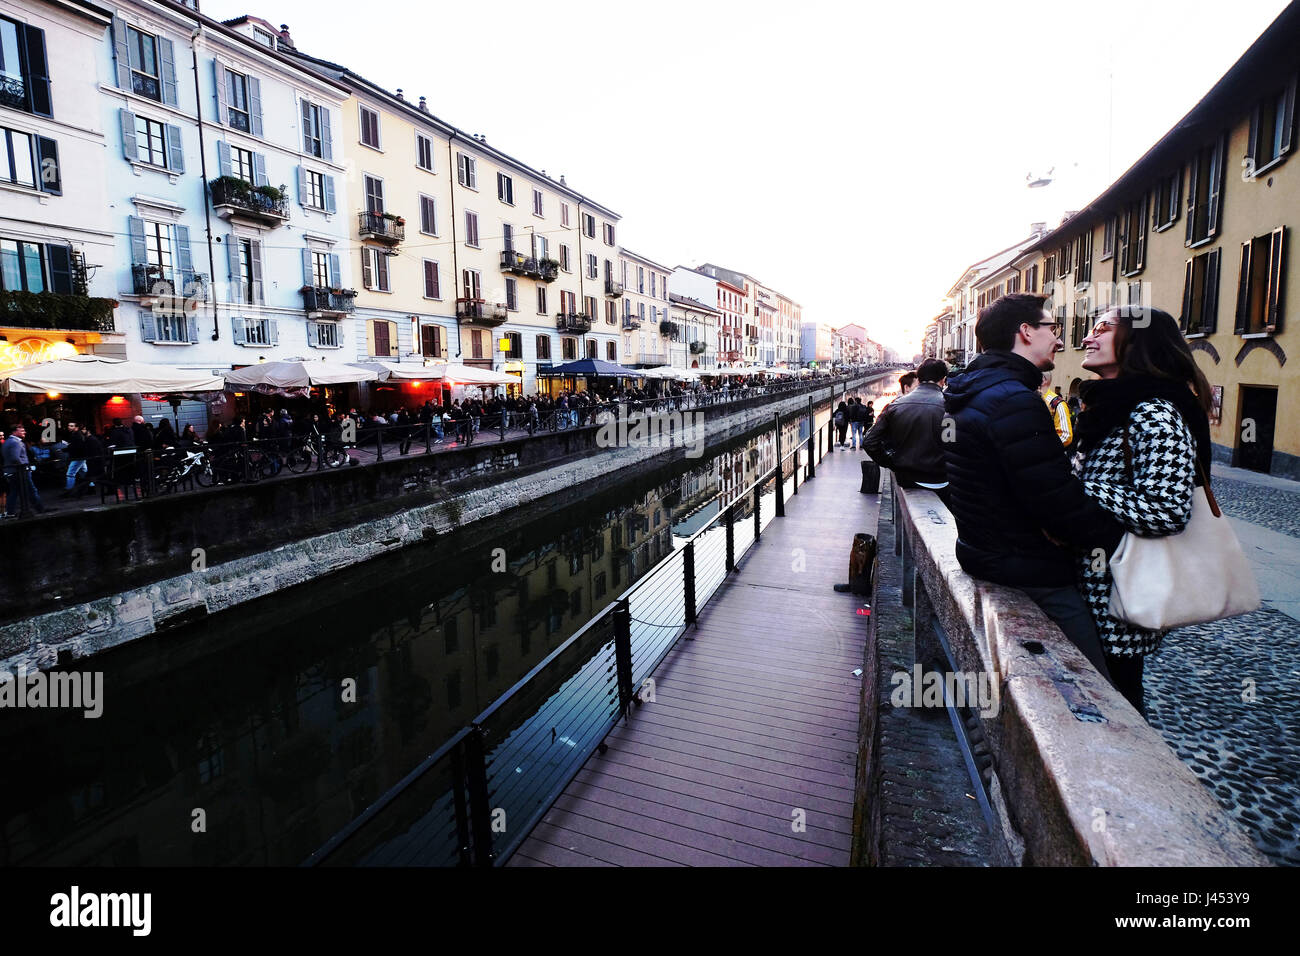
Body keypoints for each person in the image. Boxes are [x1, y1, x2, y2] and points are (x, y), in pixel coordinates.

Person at [941, 293, 1125, 680]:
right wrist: (1118, 538)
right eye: (1052, 329)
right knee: (1094, 686)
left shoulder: (973, 392)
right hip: (1028, 567)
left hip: (985, 552)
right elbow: (1055, 501)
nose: (1059, 340)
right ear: (1025, 332)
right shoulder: (1014, 400)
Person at [1071, 306, 1211, 718]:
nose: (1088, 337)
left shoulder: (1153, 410)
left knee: (1116, 703)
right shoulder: (1113, 404)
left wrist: (1077, 489)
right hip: (1096, 584)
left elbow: (1168, 509)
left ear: (1137, 341)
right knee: (1101, 697)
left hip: (1119, 593)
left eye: (1103, 328)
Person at [862, 358, 951, 503]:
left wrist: (892, 462)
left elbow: (869, 441)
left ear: (919, 378)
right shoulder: (949, 407)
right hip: (940, 481)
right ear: (943, 380)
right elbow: (951, 444)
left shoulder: (896, 405)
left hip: (907, 479)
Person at [4, 424, 44, 516]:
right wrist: (25, 467)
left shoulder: (7, 442)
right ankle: (40, 509)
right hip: (20, 472)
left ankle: (10, 512)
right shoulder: (16, 442)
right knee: (31, 491)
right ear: (14, 432)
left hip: (11, 471)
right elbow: (15, 458)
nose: (24, 432)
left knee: (13, 492)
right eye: (22, 431)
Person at [1041, 373, 1073, 447]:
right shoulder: (1030, 398)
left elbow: (1065, 436)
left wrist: (1042, 448)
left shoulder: (1058, 404)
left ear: (1043, 379)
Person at [63, 422, 88, 495]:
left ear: (76, 427)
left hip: (78, 457)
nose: (69, 427)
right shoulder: (77, 434)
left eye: (71, 426)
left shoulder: (76, 435)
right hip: (80, 456)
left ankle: (69, 490)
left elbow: (76, 447)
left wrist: (65, 449)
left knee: (70, 473)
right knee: (84, 472)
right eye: (68, 425)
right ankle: (91, 487)